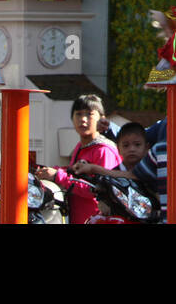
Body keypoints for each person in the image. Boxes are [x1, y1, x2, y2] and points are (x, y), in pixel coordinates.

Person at [34, 93, 121, 223]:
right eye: (78, 114)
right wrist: (52, 171)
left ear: (102, 119)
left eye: (89, 114)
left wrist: (58, 176)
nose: (83, 119)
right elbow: (74, 173)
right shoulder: (81, 146)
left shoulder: (104, 150)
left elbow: (97, 189)